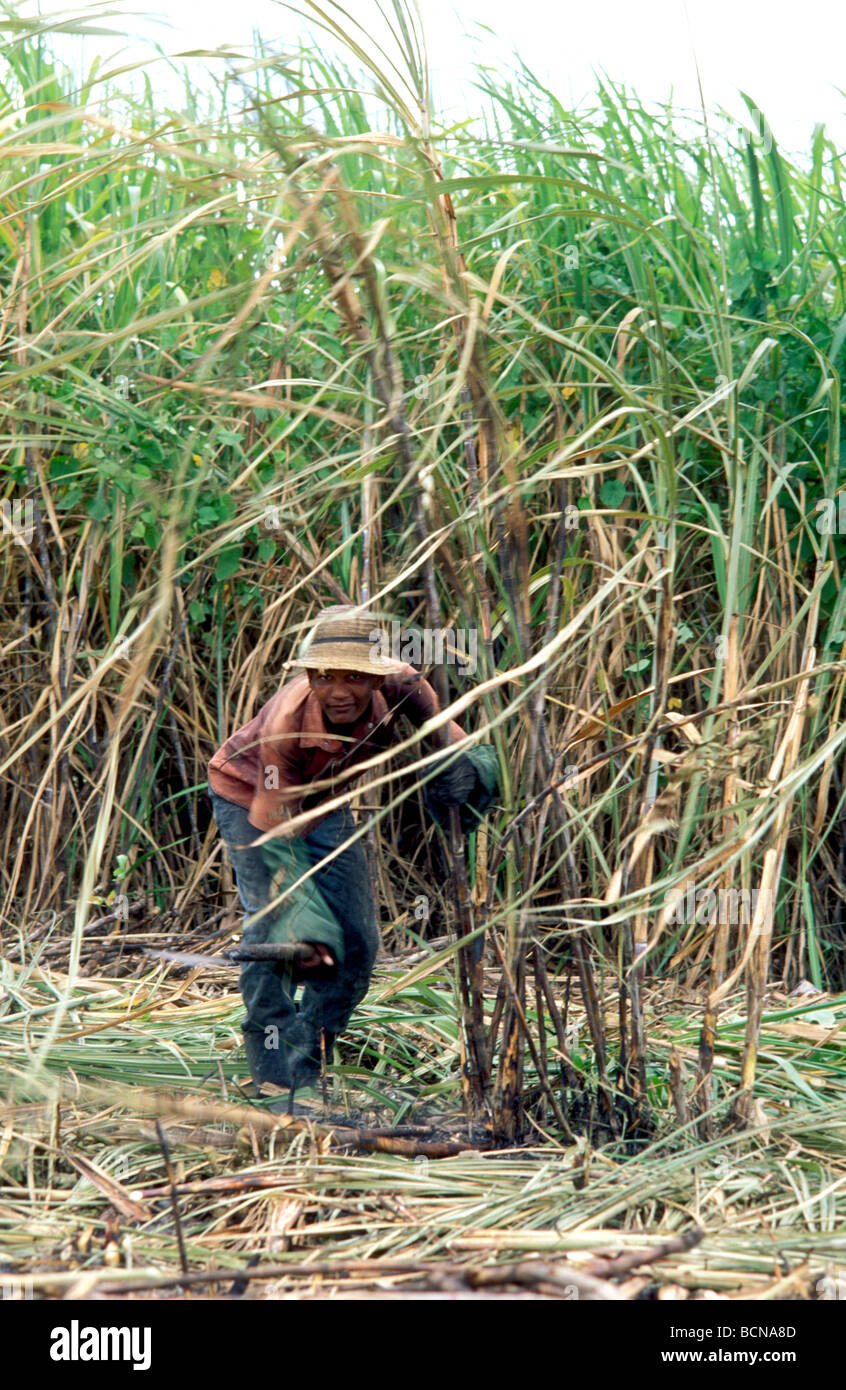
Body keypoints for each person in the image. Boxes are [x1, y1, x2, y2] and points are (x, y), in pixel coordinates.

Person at [207, 604, 498, 1099]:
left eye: (353, 677)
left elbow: (454, 736)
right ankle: (274, 1063)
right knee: (274, 929)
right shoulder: (287, 722)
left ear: (377, 675)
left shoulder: (404, 686)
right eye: (323, 677)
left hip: (326, 800)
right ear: (307, 675)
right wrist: (302, 914)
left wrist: (469, 768)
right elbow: (273, 823)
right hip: (252, 799)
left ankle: (310, 1051)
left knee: (359, 942)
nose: (338, 691)